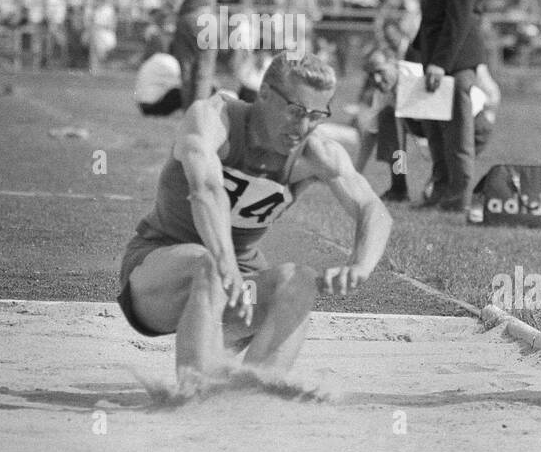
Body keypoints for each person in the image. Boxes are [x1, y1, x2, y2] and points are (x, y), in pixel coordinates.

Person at [115, 51, 392, 387]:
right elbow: (206, 190)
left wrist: (360, 265)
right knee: (209, 266)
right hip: (158, 276)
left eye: (316, 115)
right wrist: (225, 263)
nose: (302, 128)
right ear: (264, 94)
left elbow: (373, 209)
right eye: (295, 112)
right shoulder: (214, 119)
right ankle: (195, 394)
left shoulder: (314, 152)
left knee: (300, 280)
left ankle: (253, 395)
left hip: (238, 290)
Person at [412, 0, 495, 216]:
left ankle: (457, 196)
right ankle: (442, 189)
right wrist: (420, 52)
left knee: (458, 129)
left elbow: (459, 16)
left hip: (455, 57)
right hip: (438, 54)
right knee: (436, 125)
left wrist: (440, 64)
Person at [167, 0, 218, 108]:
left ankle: (189, 114)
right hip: (208, 17)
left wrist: (161, 14)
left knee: (187, 71)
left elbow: (176, 2)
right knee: (205, 71)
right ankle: (200, 115)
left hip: (189, 17)